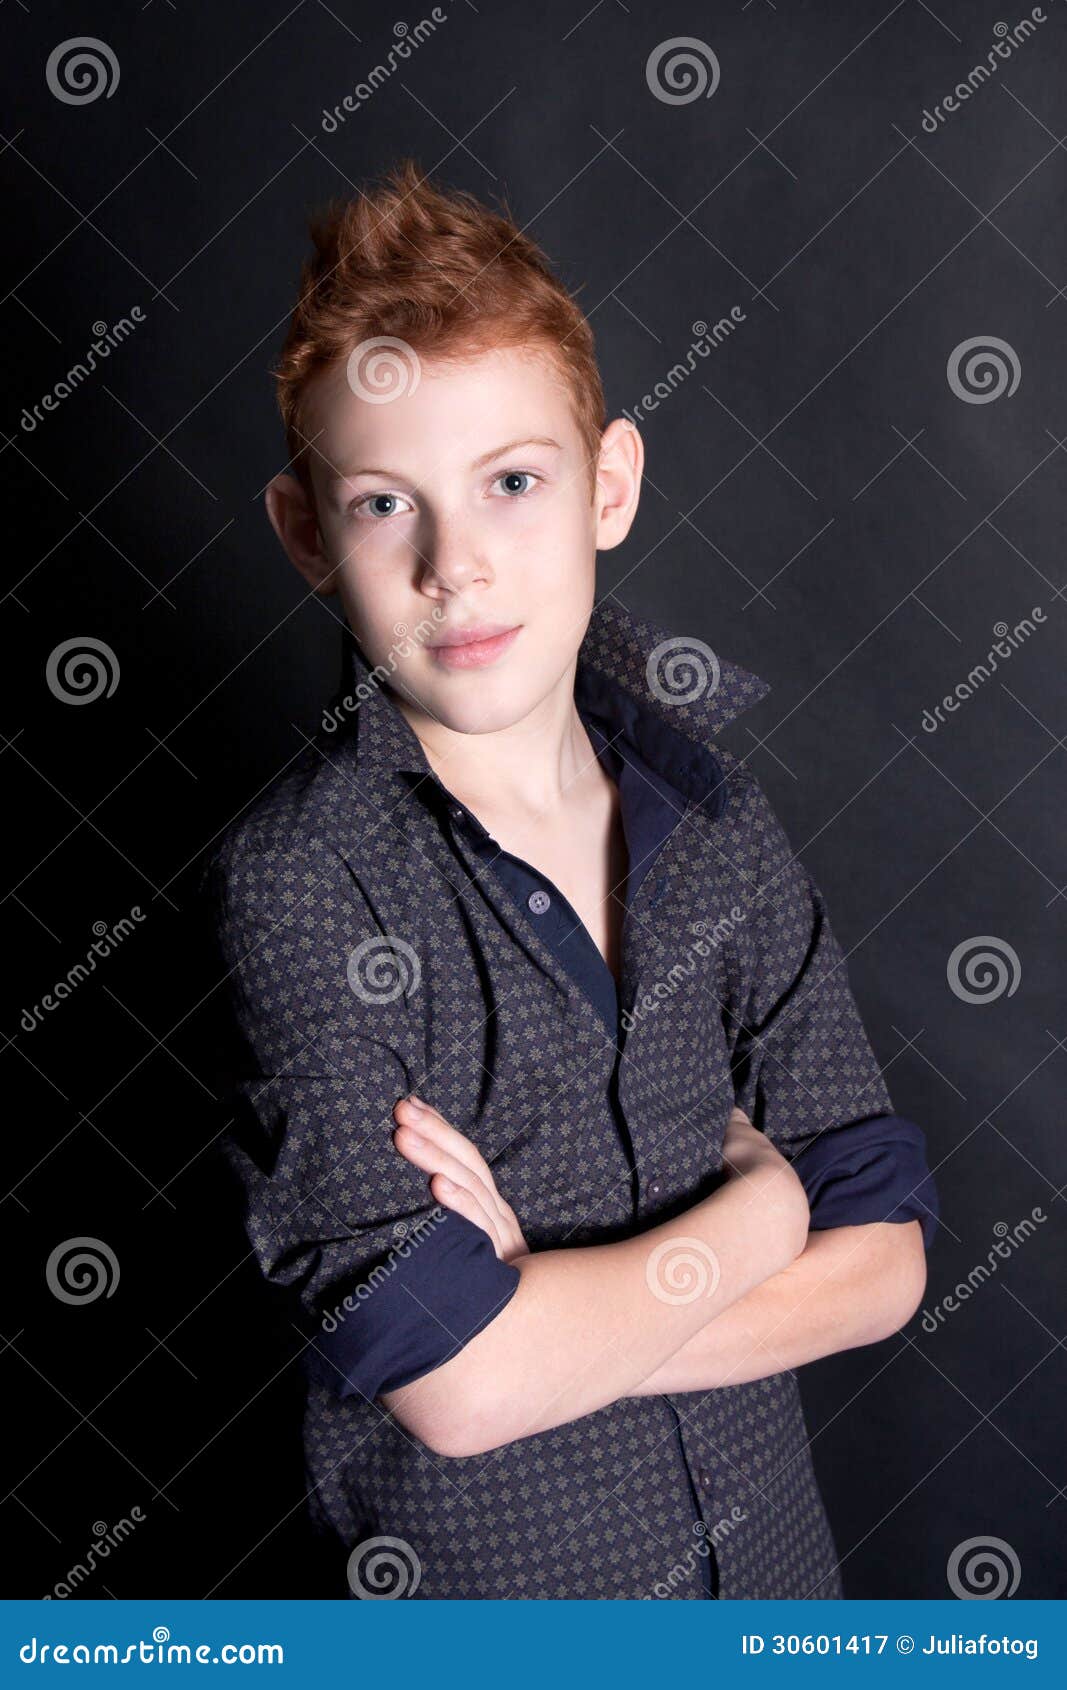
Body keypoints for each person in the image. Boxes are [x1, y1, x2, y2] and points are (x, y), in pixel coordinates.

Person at [200, 157, 939, 1600]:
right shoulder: (302, 887)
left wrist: (540, 1311)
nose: (456, 565)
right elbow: (461, 1390)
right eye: (381, 505)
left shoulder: (715, 815)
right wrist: (759, 1213)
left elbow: (891, 1256)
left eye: (514, 482)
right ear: (306, 534)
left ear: (609, 485)